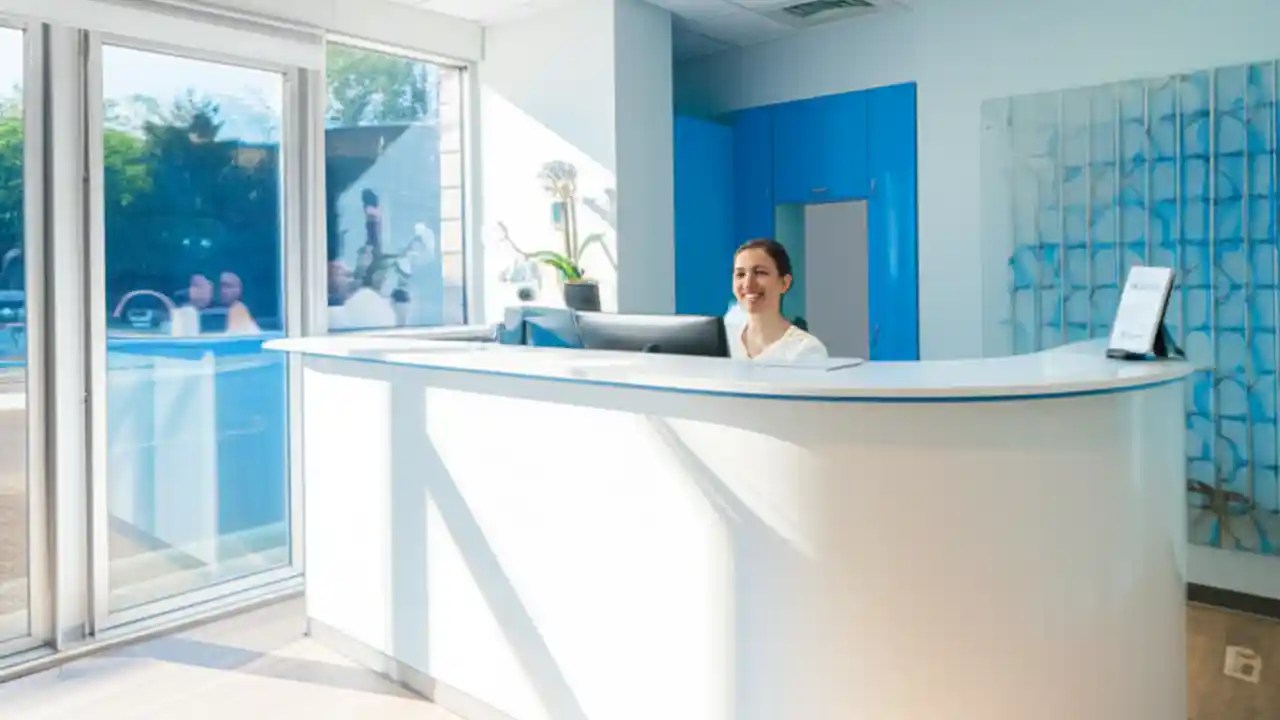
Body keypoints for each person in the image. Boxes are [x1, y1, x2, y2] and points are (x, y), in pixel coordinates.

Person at [729, 238, 828, 363]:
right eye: (740, 274)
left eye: (760, 272)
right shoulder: (725, 341)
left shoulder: (806, 350)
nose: (748, 284)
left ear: (785, 283)